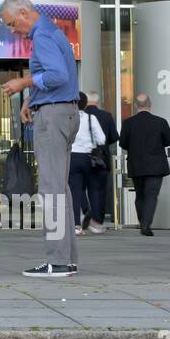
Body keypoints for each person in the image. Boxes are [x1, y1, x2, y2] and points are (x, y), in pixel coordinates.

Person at [0, 0, 81, 277]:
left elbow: (57, 75)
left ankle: (57, 261)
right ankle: (66, 259)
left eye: (12, 23)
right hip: (63, 112)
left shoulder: (43, 35)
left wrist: (24, 82)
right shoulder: (52, 31)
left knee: (51, 189)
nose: (12, 30)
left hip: (53, 117)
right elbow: (56, 77)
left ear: (24, 12)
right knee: (61, 187)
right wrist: (30, 99)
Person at [121, 93, 170, 236]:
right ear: (150, 105)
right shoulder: (160, 122)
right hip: (156, 165)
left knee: (140, 195)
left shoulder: (128, 123)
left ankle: (142, 221)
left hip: (136, 164)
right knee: (151, 195)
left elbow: (123, 143)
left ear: (135, 106)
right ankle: (146, 224)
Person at [68, 92, 107, 237]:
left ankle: (77, 226)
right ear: (85, 104)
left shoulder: (68, 119)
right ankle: (96, 223)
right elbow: (102, 139)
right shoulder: (91, 118)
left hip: (72, 157)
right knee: (94, 190)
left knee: (75, 191)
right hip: (89, 158)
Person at [84, 91, 119, 233]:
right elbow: (114, 137)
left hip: (83, 156)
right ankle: (98, 221)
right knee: (100, 190)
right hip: (101, 158)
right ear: (97, 102)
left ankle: (85, 212)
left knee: (81, 188)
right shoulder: (106, 116)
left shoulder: (80, 115)